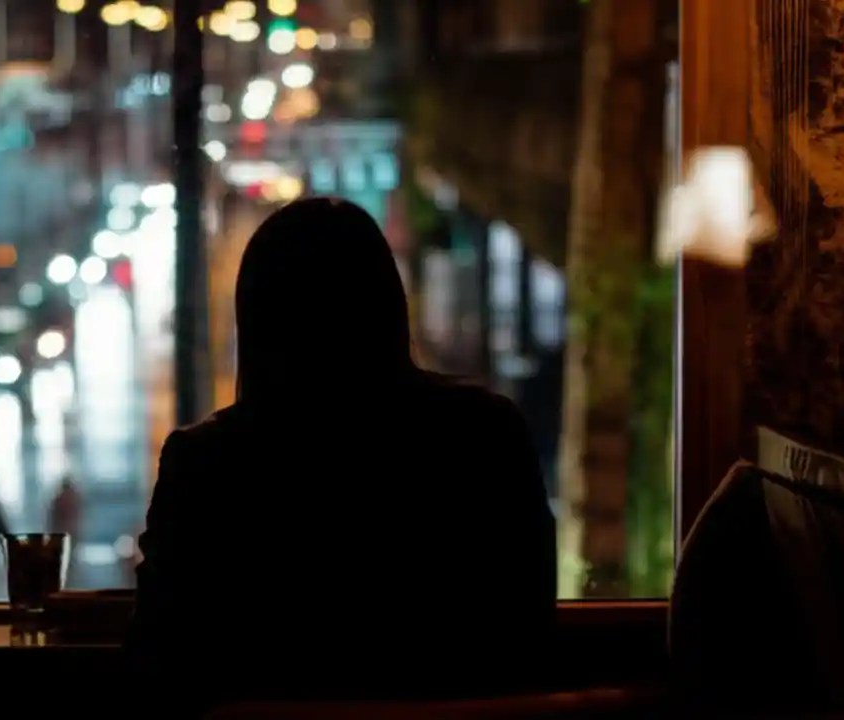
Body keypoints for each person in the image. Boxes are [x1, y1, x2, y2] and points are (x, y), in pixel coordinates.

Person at [127, 198, 556, 708]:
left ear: (257, 321)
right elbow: (526, 630)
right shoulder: (486, 434)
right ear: (388, 306)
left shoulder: (205, 464)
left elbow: (161, 658)